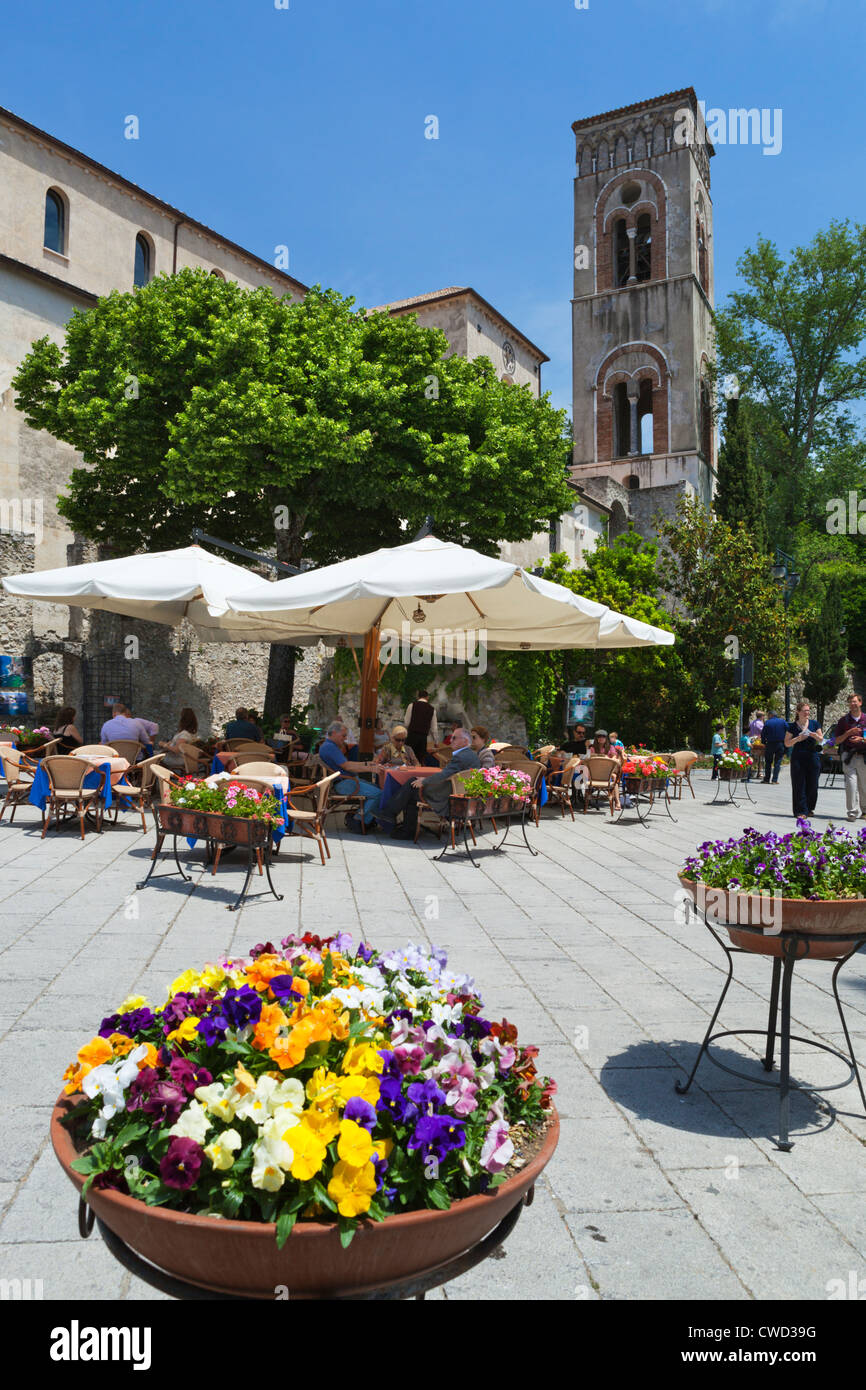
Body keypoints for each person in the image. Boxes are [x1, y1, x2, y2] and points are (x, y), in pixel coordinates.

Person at [387, 727, 480, 839]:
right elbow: (448, 775)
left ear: (465, 741)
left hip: (446, 796)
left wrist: (424, 781)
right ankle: (404, 827)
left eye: (454, 738)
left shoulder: (460, 757)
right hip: (459, 796)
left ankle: (392, 816)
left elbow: (443, 775)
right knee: (414, 786)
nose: (451, 740)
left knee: (412, 784)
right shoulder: (473, 756)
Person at [318, 720, 382, 831]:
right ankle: (359, 820)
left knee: (378, 789)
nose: (345, 738)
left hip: (345, 781)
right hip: (343, 783)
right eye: (343, 735)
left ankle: (368, 819)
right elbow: (348, 766)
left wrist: (367, 764)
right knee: (379, 794)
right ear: (333, 733)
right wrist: (370, 768)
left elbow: (347, 764)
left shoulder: (329, 745)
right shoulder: (330, 747)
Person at [785, 698, 823, 818]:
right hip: (798, 757)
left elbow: (822, 739)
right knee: (799, 784)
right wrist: (797, 739)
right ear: (798, 712)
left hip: (813, 756)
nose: (807, 713)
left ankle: (810, 808)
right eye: (804, 711)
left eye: (808, 710)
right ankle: (801, 811)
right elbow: (787, 743)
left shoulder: (814, 724)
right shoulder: (792, 726)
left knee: (813, 784)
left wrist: (814, 735)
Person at [832, 691, 866, 821]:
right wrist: (848, 733)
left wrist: (862, 740)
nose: (852, 704)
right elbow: (836, 740)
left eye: (855, 701)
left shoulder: (865, 719)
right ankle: (852, 813)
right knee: (851, 785)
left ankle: (865, 811)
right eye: (850, 702)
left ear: (860, 703)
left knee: (864, 785)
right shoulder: (843, 721)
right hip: (848, 756)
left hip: (863, 756)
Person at [404, 691, 439, 762]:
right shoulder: (432, 709)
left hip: (412, 736)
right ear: (427, 697)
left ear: (418, 697)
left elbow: (406, 723)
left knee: (408, 759)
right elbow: (434, 728)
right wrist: (436, 742)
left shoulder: (412, 705)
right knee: (420, 760)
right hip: (423, 738)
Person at [761, 709, 787, 785]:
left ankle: (766, 779)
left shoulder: (767, 722)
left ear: (771, 715)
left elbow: (763, 734)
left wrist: (763, 742)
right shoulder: (782, 721)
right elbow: (788, 730)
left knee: (768, 762)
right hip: (780, 744)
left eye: (768, 715)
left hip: (770, 744)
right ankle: (774, 780)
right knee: (777, 762)